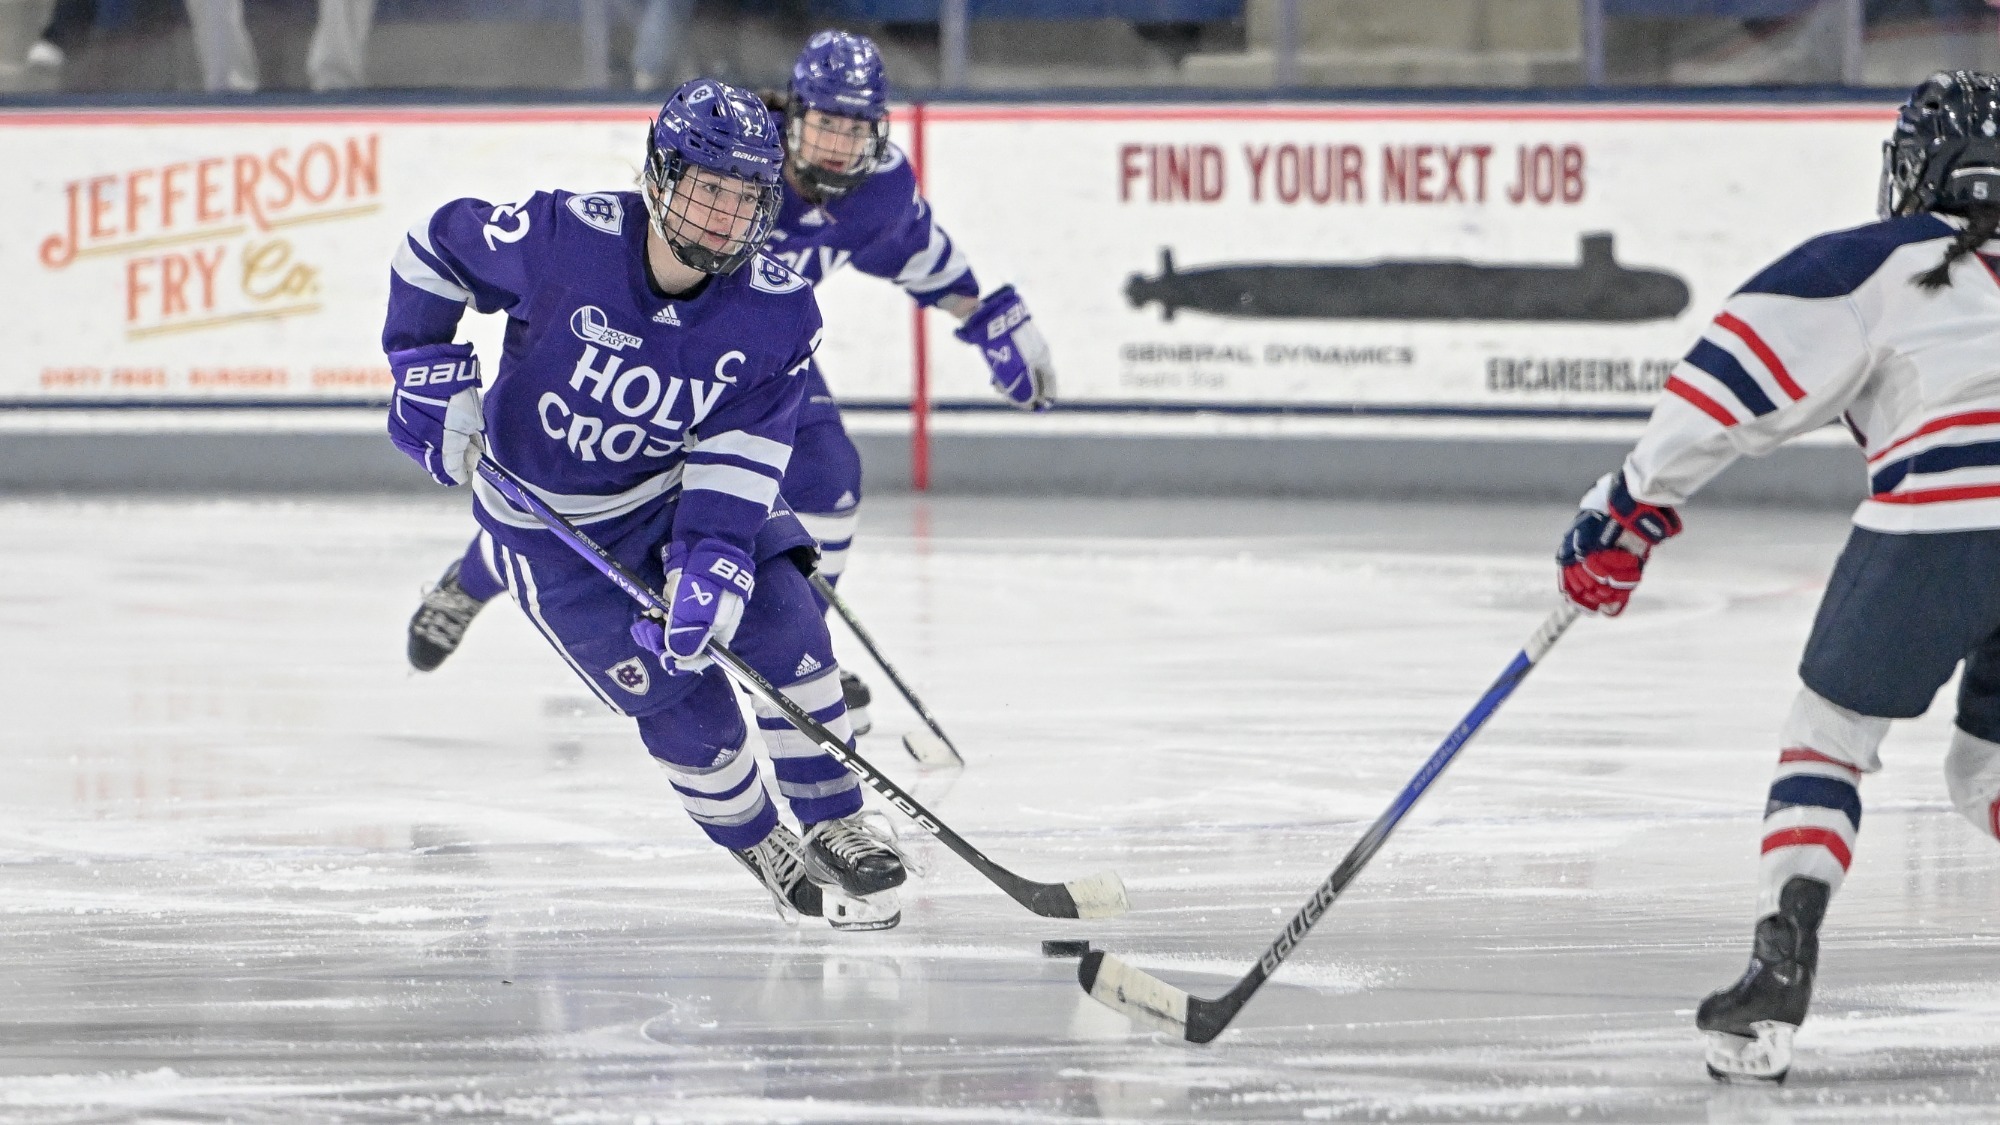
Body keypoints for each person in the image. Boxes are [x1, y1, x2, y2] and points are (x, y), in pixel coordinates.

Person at [405, 29, 1057, 739]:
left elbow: (916, 250)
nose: (840, 146)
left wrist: (983, 312)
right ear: (796, 114)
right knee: (575, 490)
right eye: (827, 123)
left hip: (755, 367)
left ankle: (801, 640)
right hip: (658, 351)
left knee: (830, 472)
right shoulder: (735, 156)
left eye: (857, 129)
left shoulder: (876, 190)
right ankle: (469, 581)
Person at [1554, 70, 2000, 1083]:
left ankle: (1776, 971)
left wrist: (1624, 510)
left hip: (1936, 522)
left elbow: (1727, 390)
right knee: (1986, 775)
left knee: (1828, 742)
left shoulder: (1879, 261)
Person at [383, 77, 906, 930]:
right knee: (682, 708)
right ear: (659, 177)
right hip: (549, 535)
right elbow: (434, 246)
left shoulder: (776, 313)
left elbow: (740, 454)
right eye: (706, 191)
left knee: (784, 619)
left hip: (664, 495)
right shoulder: (564, 239)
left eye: (745, 200)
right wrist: (419, 364)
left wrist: (714, 557)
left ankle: (835, 816)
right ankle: (763, 842)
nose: (722, 219)